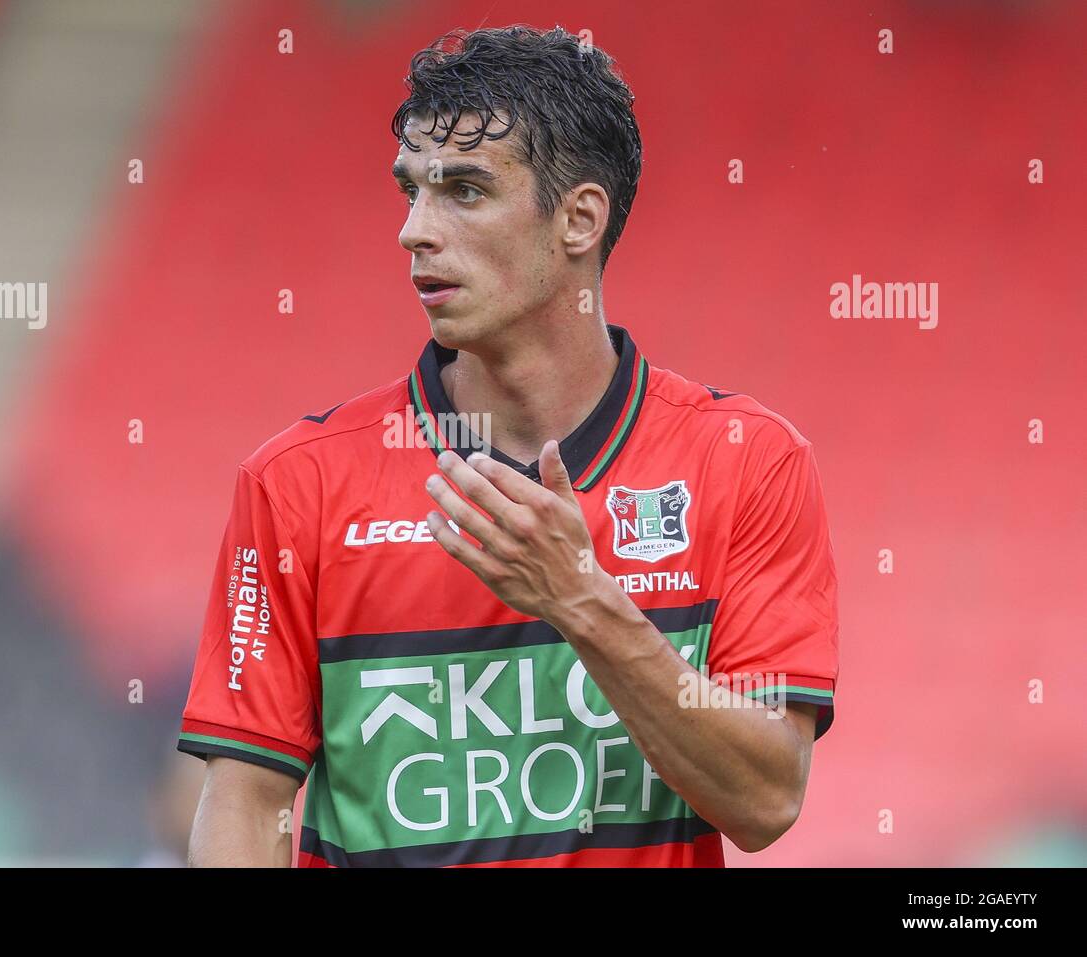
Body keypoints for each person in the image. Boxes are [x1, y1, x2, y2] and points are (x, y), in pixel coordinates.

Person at [178, 24, 839, 867]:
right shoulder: (296, 482)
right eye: (410, 190)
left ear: (579, 219)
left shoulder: (748, 461)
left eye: (463, 191)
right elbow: (245, 805)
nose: (414, 230)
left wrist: (580, 599)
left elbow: (766, 799)